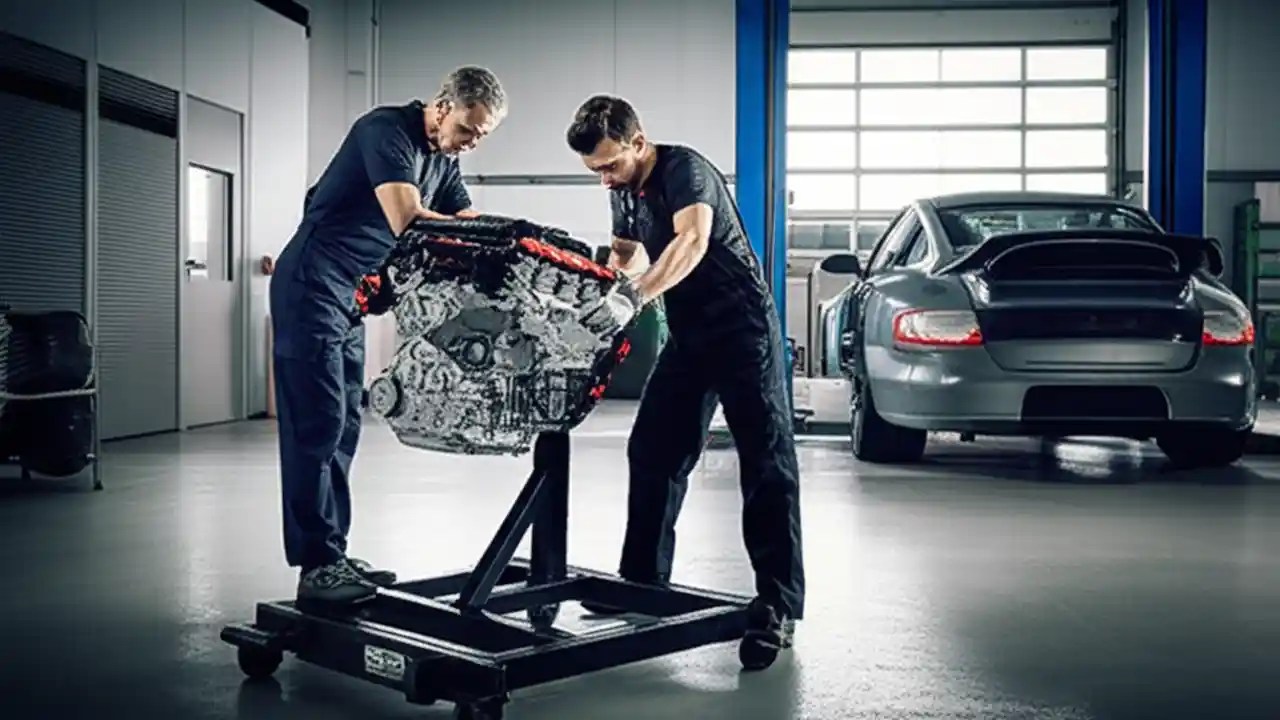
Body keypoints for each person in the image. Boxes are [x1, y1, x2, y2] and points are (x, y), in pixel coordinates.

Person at [564, 95, 805, 671]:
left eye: (610, 165)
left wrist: (637, 295)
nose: (604, 179)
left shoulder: (685, 169)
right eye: (594, 171)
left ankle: (778, 603)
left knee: (766, 461)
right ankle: (641, 580)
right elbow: (624, 253)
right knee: (652, 449)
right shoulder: (621, 189)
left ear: (638, 142)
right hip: (690, 336)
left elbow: (690, 243)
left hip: (742, 327)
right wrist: (589, 293)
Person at [270, 66, 507, 603]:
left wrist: (503, 242)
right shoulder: (386, 132)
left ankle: (333, 553)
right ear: (443, 107)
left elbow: (465, 218)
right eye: (469, 130)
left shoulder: (443, 161)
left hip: (351, 297)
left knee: (346, 422)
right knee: (318, 422)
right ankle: (316, 566)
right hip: (312, 282)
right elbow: (409, 220)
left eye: (483, 136)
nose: (471, 143)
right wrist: (474, 239)